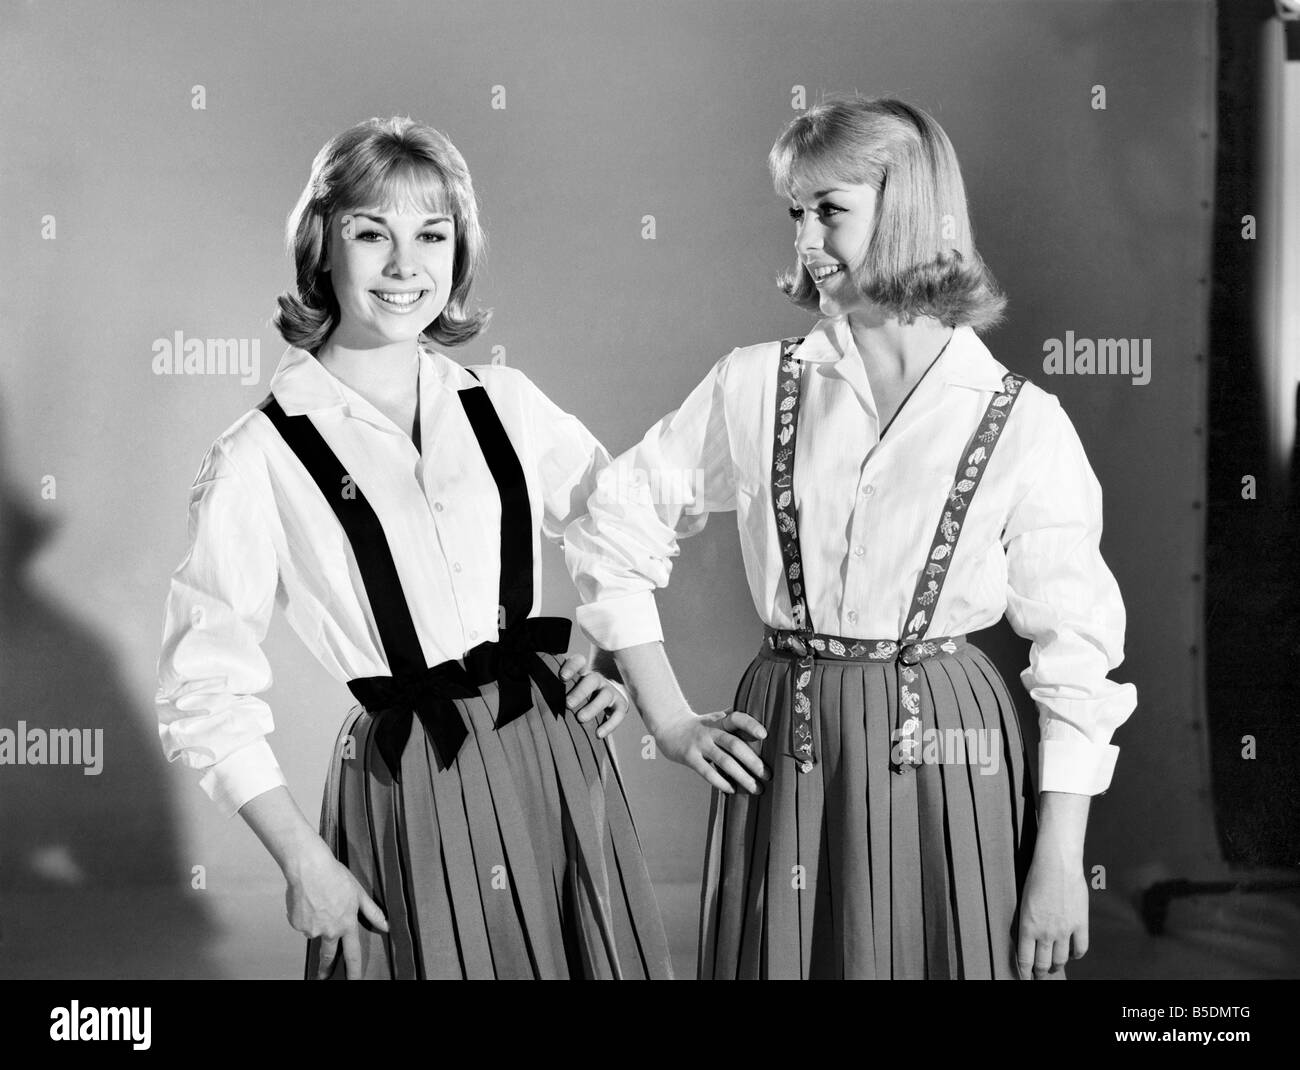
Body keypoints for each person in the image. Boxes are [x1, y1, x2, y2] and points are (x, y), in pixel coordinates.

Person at [565, 96, 1137, 979]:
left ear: (910, 209)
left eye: (829, 210)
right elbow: (614, 525)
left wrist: (1060, 859)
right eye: (795, 212)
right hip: (787, 733)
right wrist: (669, 719)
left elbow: (1077, 650)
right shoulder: (753, 385)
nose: (803, 239)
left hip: (949, 744)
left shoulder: (1020, 420)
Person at [156, 116, 672, 980]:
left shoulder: (503, 400)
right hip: (412, 782)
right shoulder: (259, 455)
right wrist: (302, 859)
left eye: (431, 234)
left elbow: (626, 518)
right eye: (372, 233)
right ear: (323, 246)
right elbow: (202, 685)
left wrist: (615, 665)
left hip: (556, 755)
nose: (405, 266)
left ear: (459, 251)